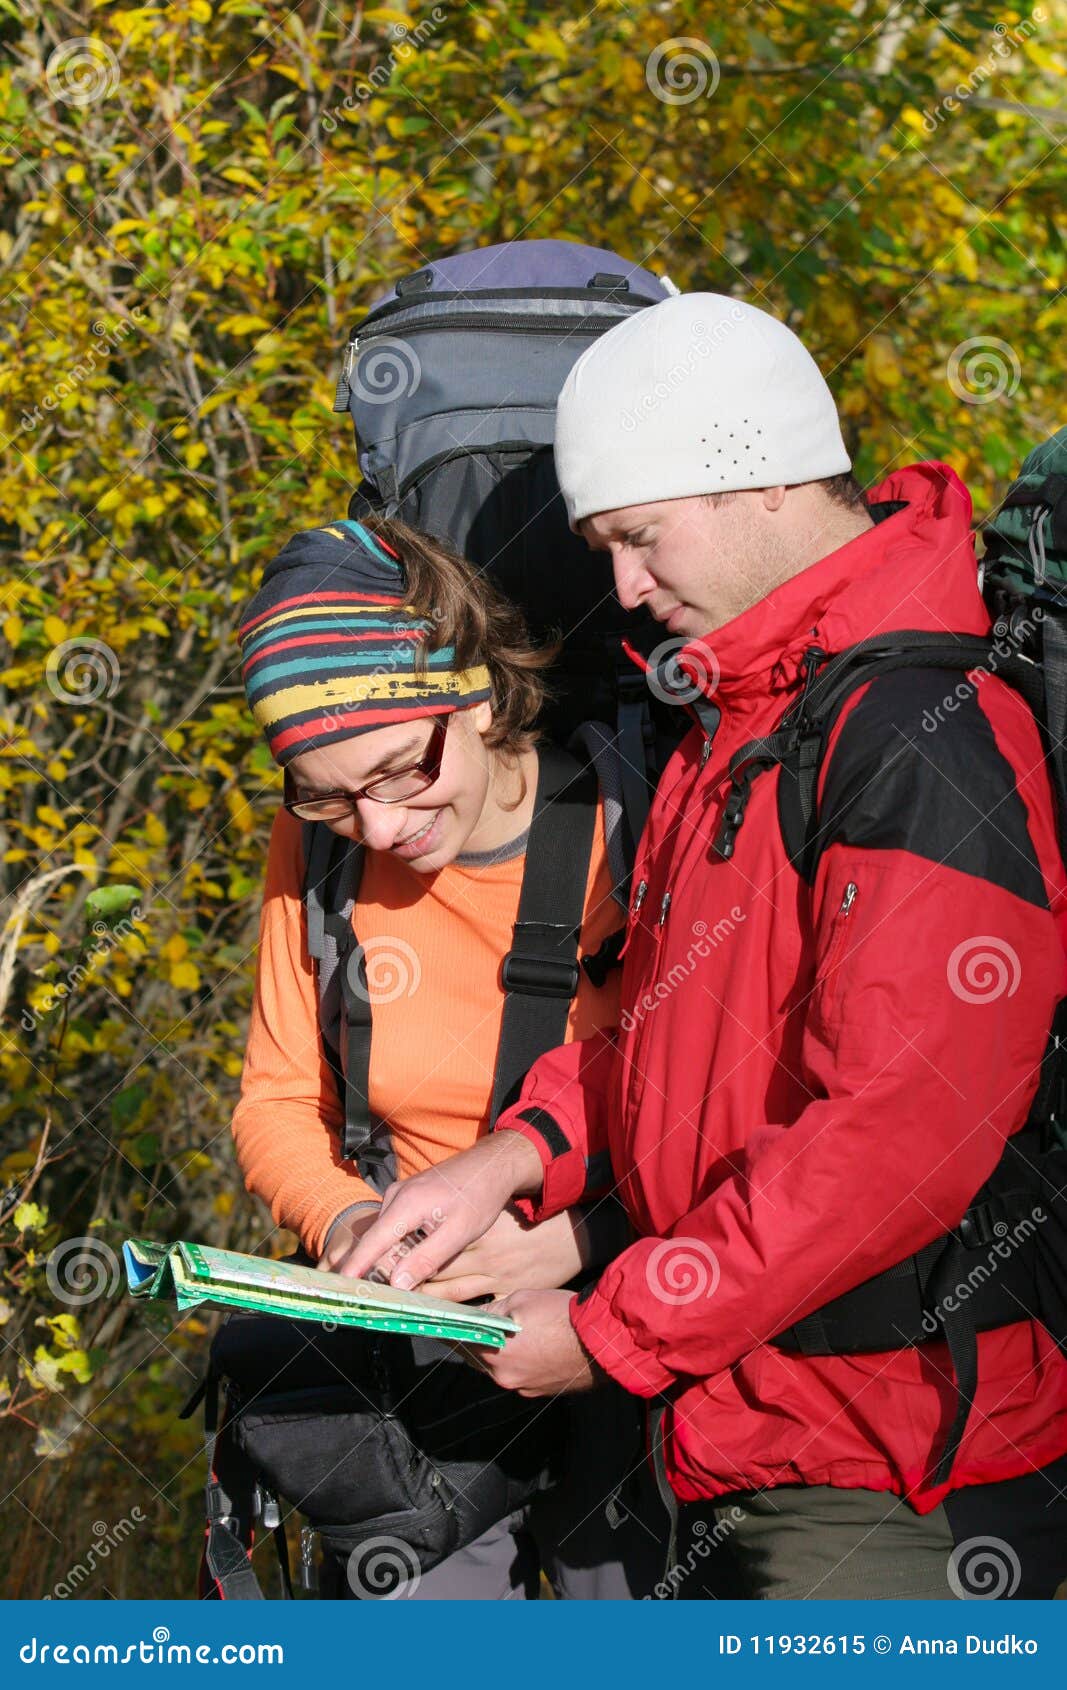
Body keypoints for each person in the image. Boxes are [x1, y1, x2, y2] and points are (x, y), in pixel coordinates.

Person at [343, 294, 1067, 1600]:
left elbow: (902, 1125)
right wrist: (513, 1158)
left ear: (756, 472)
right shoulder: (735, 724)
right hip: (731, 1429)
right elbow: (665, 1032)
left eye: (637, 535)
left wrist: (615, 1330)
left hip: (892, 1474)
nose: (621, 586)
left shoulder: (919, 732)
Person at [232, 512, 666, 1599]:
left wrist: (580, 1238)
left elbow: (721, 1103)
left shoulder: (634, 821)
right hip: (415, 1372)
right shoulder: (322, 848)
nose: (376, 828)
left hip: (618, 1317)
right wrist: (347, 1224)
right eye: (326, 791)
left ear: (473, 691)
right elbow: (276, 1100)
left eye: (397, 769)